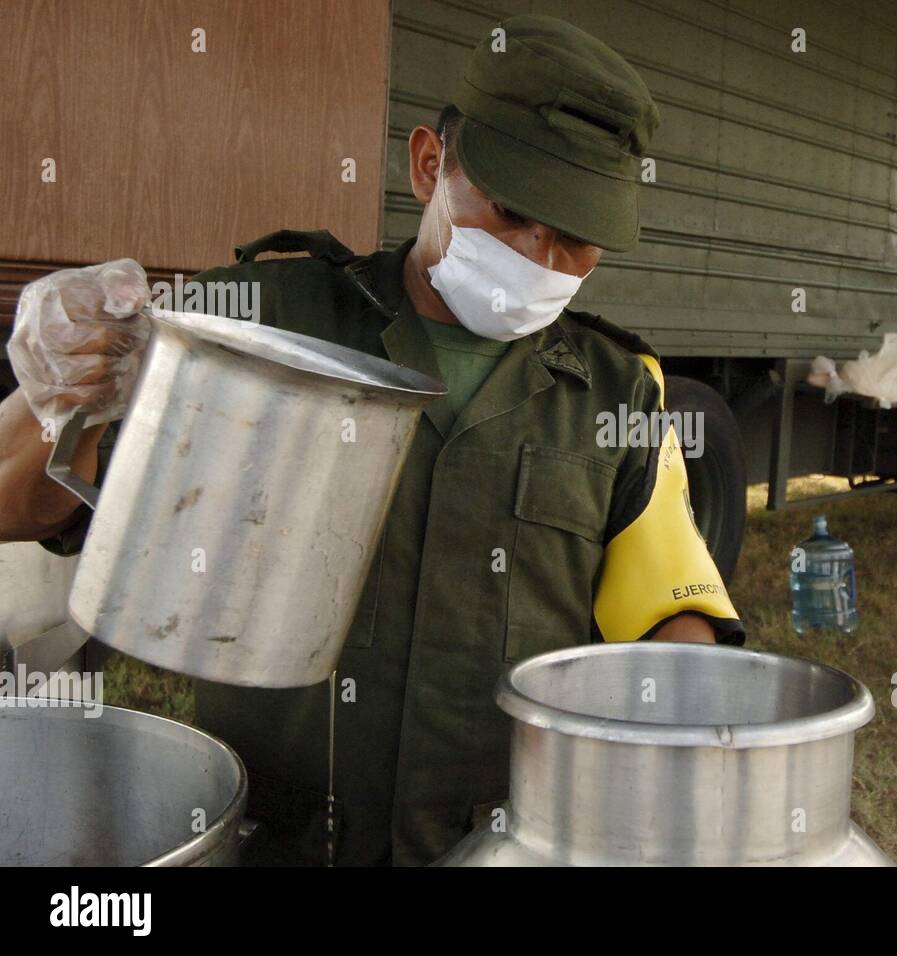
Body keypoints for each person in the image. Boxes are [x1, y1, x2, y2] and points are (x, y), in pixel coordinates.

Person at [0, 15, 744, 865]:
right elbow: (23, 503)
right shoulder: (262, 323)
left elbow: (671, 622)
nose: (544, 256)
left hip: (497, 847)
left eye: (579, 236)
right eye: (515, 212)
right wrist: (57, 388)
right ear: (430, 164)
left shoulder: (619, 394)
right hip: (274, 837)